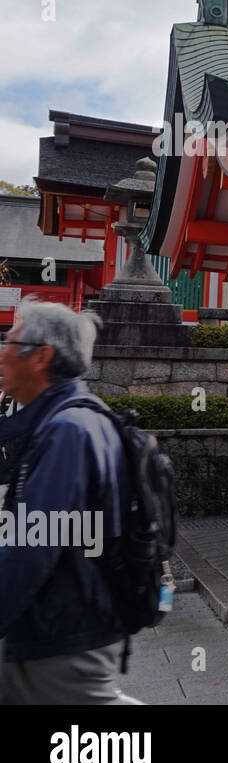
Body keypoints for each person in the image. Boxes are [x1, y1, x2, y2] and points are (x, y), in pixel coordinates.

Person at [0, 302, 138, 704]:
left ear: (41, 356)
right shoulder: (67, 421)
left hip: (64, 636)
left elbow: (33, 546)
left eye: (10, 341)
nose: (3, 353)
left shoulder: (67, 431)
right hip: (58, 626)